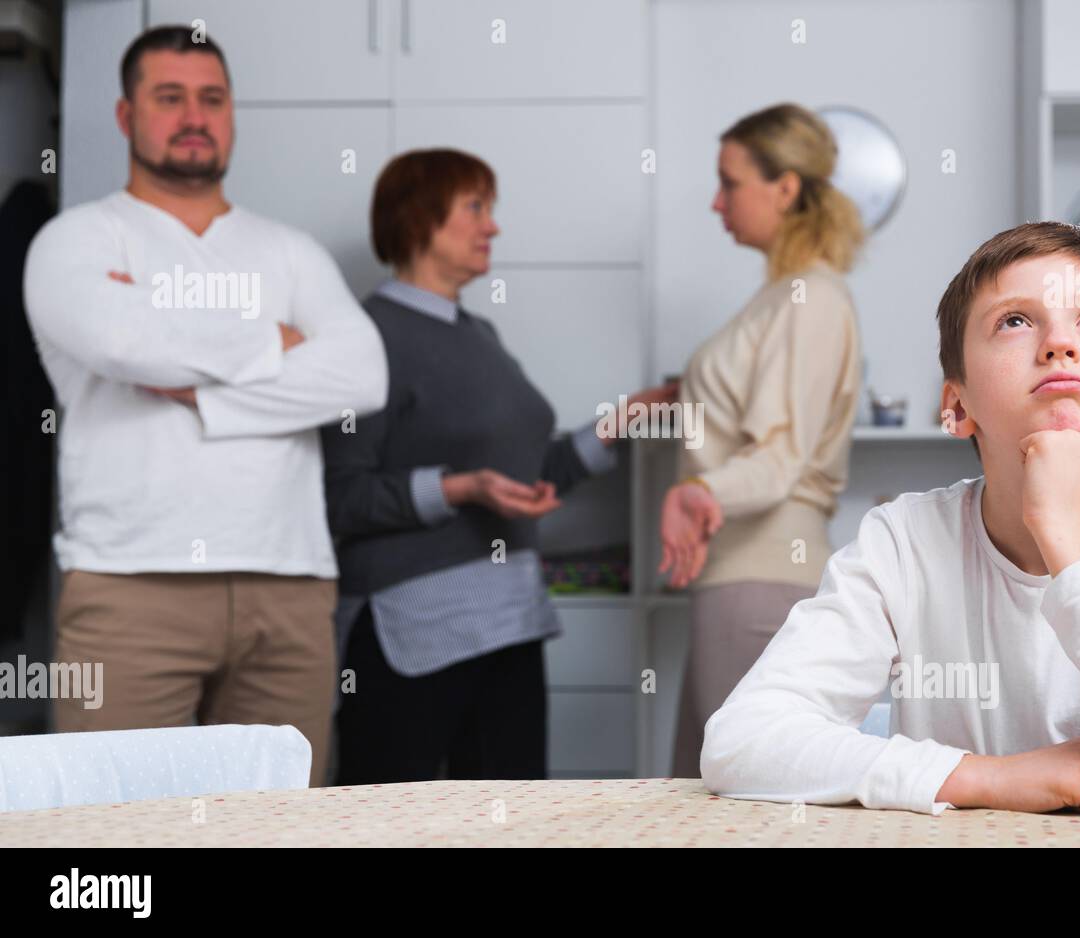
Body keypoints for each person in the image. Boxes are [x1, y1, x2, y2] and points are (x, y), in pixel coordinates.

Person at [700, 221, 1080, 822]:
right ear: (957, 405)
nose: (1057, 344)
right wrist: (988, 778)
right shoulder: (901, 543)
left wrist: (1068, 540)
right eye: (1015, 320)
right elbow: (741, 741)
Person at [22, 26, 388, 787]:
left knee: (281, 830)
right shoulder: (73, 242)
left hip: (288, 586)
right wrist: (275, 340)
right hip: (129, 587)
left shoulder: (290, 251)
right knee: (109, 832)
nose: (195, 115)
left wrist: (196, 386)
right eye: (170, 97)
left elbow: (361, 376)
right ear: (126, 116)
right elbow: (124, 345)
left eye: (212, 99)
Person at [323, 148, 675, 784]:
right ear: (418, 219)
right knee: (386, 826)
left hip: (509, 619)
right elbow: (341, 496)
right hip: (414, 631)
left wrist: (626, 417)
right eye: (476, 208)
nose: (493, 227)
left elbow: (534, 472)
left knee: (511, 826)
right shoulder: (365, 334)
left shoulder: (478, 333)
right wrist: (461, 489)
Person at [657, 103, 865, 777]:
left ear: (784, 186)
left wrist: (694, 490)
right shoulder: (784, 299)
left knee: (739, 808)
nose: (717, 203)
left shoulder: (811, 298)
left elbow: (778, 458)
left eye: (730, 182)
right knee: (704, 798)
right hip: (741, 579)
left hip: (761, 580)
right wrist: (675, 401)